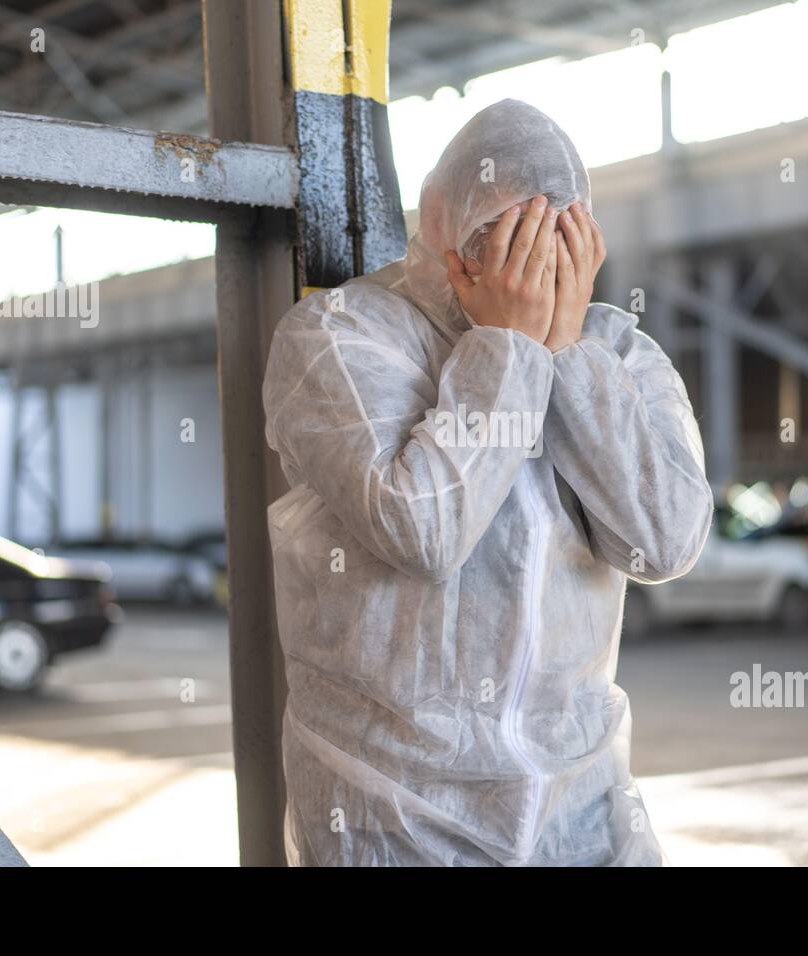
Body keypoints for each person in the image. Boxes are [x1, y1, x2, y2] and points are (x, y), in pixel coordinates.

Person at [262, 99, 713, 866]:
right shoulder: (341, 337)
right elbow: (424, 530)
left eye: (554, 240)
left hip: (583, 803)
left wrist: (568, 359)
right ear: (440, 231)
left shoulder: (618, 355)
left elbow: (666, 542)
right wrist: (506, 346)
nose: (530, 265)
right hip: (392, 808)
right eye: (503, 239)